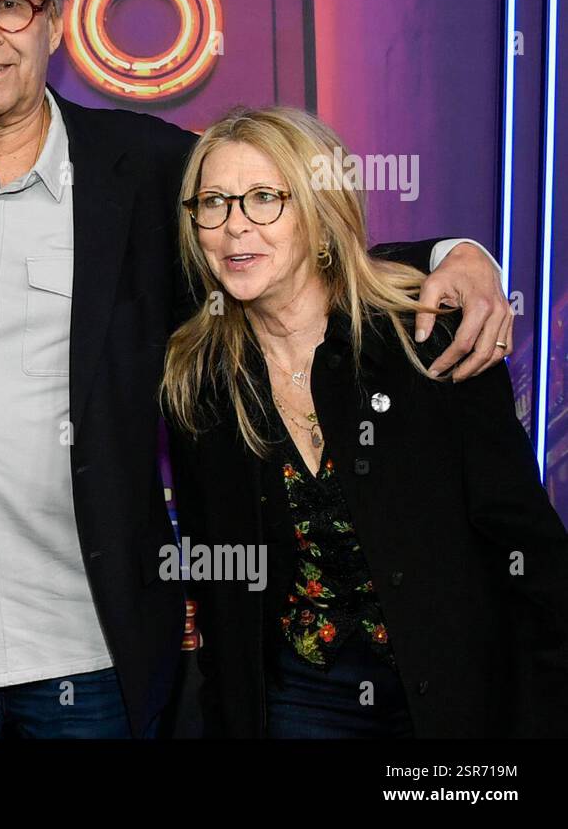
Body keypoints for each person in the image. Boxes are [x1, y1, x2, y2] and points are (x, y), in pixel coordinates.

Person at [0, 0, 514, 738]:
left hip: (96, 648)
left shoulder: (147, 166)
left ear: (53, 20)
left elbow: (283, 244)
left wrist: (456, 249)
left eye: (10, 6)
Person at [162, 106, 568, 737]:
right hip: (303, 697)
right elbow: (222, 585)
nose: (234, 227)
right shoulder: (201, 377)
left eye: (265, 198)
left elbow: (526, 546)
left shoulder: (425, 339)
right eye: (213, 202)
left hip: (454, 690)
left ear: (321, 217)